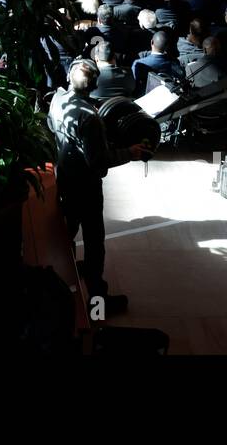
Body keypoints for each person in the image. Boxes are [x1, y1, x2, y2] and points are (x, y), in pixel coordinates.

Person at [47, 59, 150, 313]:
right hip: (86, 186)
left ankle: (60, 278)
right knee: (94, 242)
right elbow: (99, 161)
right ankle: (98, 301)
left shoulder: (58, 99)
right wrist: (130, 152)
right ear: (94, 85)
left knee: (67, 231)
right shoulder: (90, 118)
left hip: (64, 177)